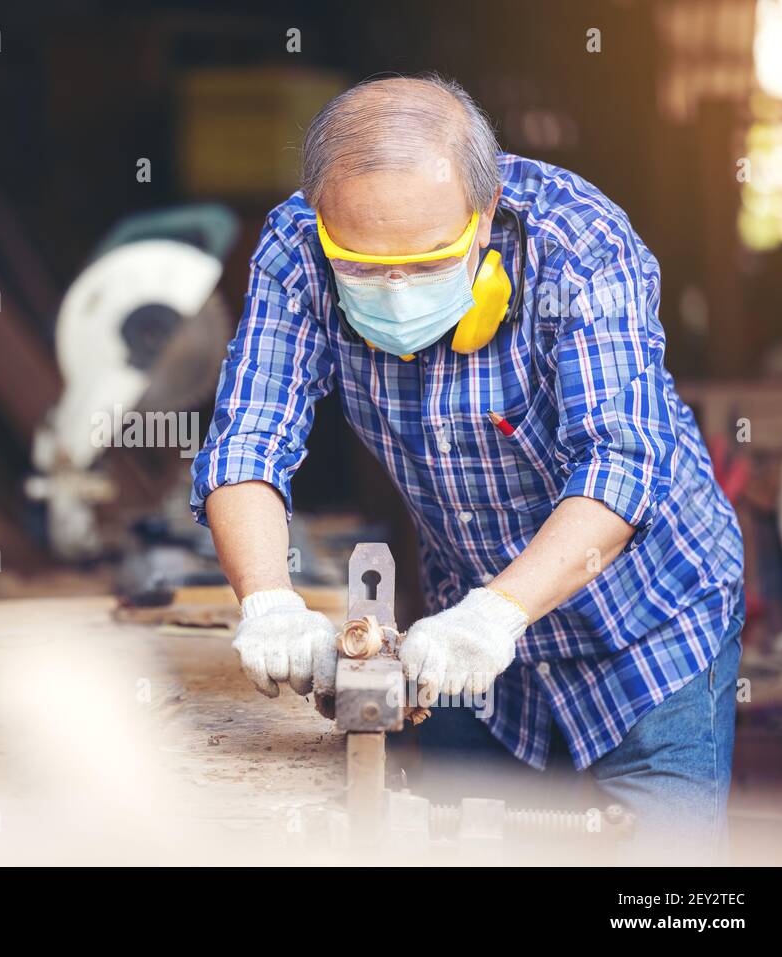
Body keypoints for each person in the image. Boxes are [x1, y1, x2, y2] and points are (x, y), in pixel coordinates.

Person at [190, 75, 744, 858]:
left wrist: (500, 614)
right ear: (323, 222)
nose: (393, 289)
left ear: (483, 219)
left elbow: (620, 459)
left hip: (648, 623)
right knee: (460, 847)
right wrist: (268, 602)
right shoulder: (297, 246)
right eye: (362, 266)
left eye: (424, 264)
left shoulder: (577, 244)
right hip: (456, 632)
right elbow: (247, 438)